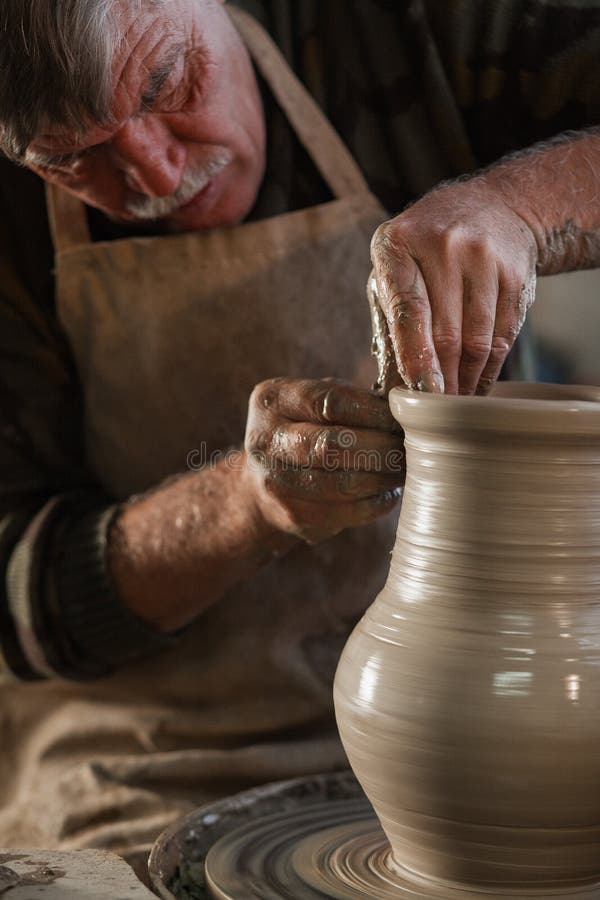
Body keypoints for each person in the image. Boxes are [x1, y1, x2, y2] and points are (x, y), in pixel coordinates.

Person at [0, 0, 597, 879]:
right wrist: (241, 504)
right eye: (72, 159)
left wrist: (521, 205)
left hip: (512, 707)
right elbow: (15, 601)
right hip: (152, 748)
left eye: (168, 85)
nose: (153, 172)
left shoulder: (402, 26)